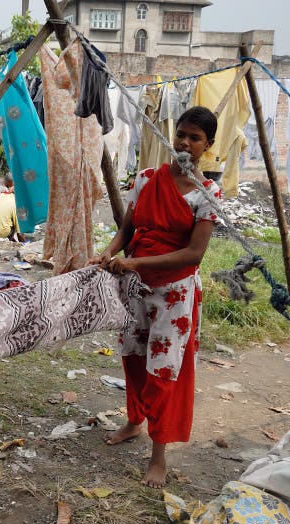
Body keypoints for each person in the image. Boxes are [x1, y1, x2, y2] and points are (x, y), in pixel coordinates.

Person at [87, 106, 222, 488]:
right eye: (181, 134)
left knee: (163, 370)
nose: (185, 142)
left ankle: (158, 455)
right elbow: (127, 230)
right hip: (136, 289)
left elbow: (194, 254)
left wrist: (134, 263)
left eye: (195, 137)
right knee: (133, 358)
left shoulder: (208, 193)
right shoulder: (147, 178)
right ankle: (134, 421)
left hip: (174, 295)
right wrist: (109, 252)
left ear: (208, 145)